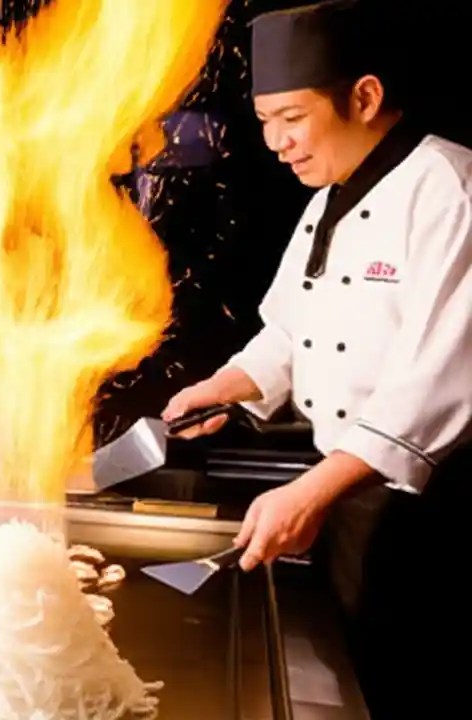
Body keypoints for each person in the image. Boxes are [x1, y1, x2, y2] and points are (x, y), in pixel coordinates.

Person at [160, 2, 472, 715]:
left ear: (363, 96)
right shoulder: (326, 198)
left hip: (432, 518)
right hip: (348, 498)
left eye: (292, 118)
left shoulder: (450, 191)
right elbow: (289, 332)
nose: (276, 142)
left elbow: (437, 385)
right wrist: (229, 385)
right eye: (266, 121)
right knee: (361, 677)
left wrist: (312, 491)